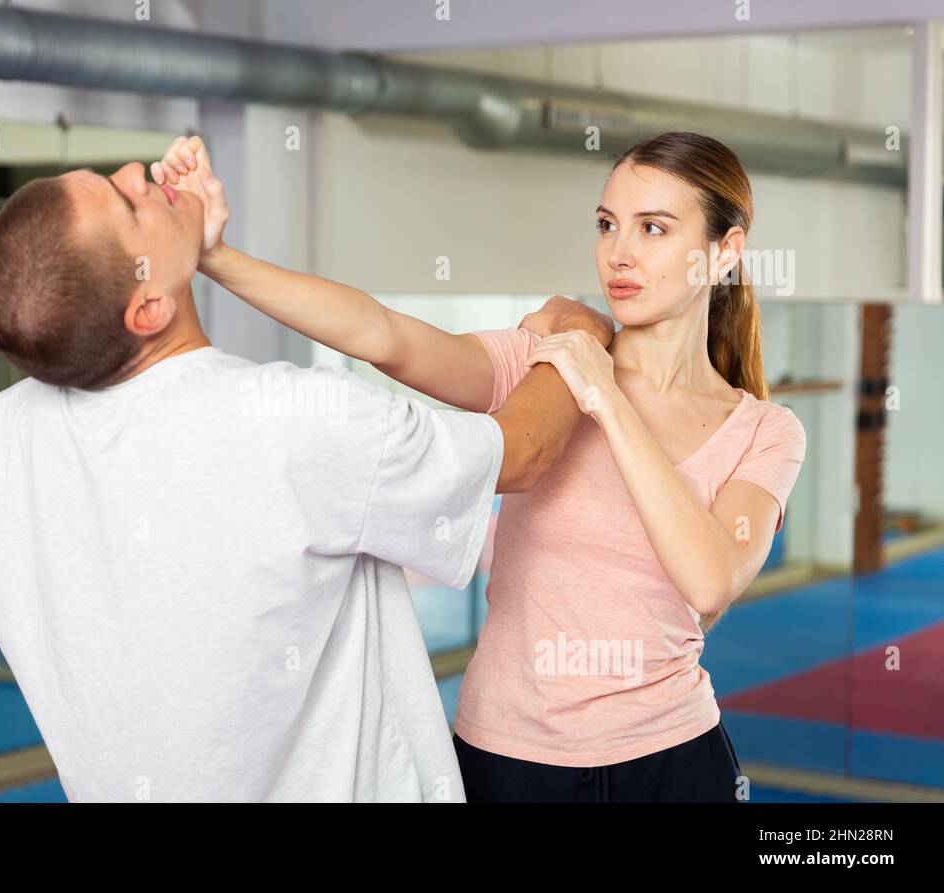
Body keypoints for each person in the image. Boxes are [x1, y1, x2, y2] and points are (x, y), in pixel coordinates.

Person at [0, 138, 612, 801]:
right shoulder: (299, 420)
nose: (144, 174)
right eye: (132, 200)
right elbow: (523, 450)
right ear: (143, 308)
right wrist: (573, 340)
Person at [156, 131, 806, 802]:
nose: (619, 253)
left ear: (723, 252)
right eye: (608, 224)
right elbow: (385, 334)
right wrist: (216, 257)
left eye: (654, 229)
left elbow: (710, 579)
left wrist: (606, 395)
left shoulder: (764, 430)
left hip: (674, 755)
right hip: (509, 755)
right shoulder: (543, 364)